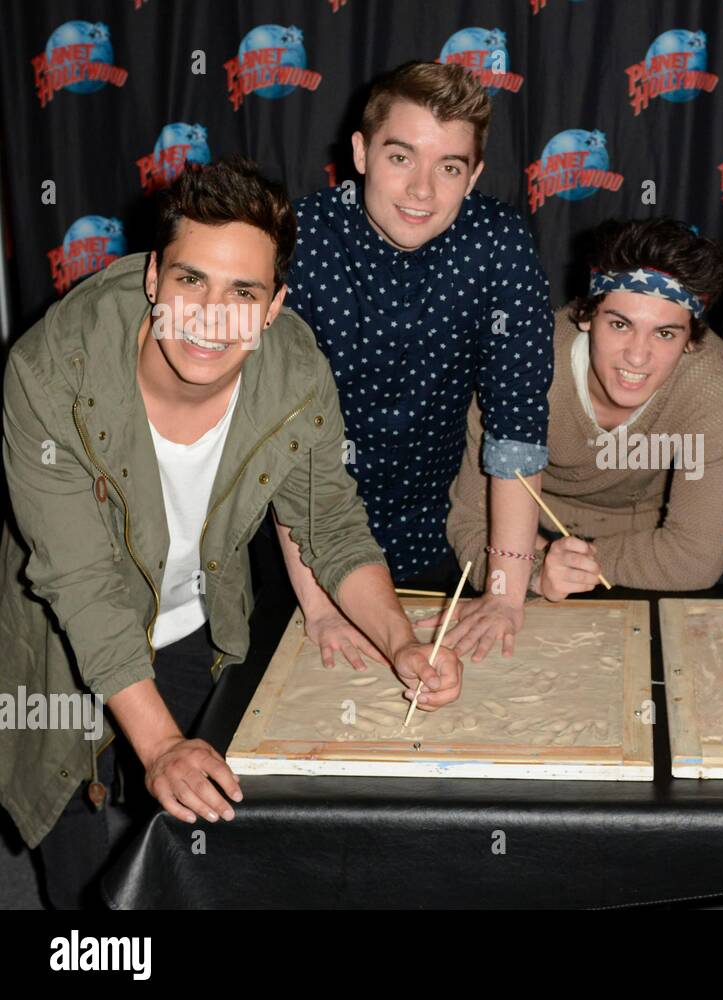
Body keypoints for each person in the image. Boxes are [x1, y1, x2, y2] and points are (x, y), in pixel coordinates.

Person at [0, 158, 460, 908]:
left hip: (195, 626)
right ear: (155, 278)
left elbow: (332, 526)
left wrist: (401, 640)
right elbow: (79, 582)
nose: (211, 318)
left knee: (199, 849)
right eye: (192, 282)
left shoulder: (295, 370)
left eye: (242, 292)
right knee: (84, 878)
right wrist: (158, 745)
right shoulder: (50, 370)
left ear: (274, 303)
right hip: (60, 645)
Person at [281, 61, 552, 664]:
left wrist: (506, 594)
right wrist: (320, 606)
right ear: (360, 152)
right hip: (296, 543)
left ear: (474, 174)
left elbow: (517, 426)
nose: (422, 190)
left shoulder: (500, 243)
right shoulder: (297, 240)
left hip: (439, 542)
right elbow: (282, 439)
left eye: (449, 167)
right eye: (401, 157)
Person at [446, 218, 723, 608]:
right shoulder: (525, 363)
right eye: (620, 324)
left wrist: (567, 563)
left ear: (691, 341)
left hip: (640, 564)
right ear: (586, 316)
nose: (638, 355)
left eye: (665, 333)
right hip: (518, 547)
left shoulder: (711, 384)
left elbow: (695, 559)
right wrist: (534, 569)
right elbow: (470, 525)